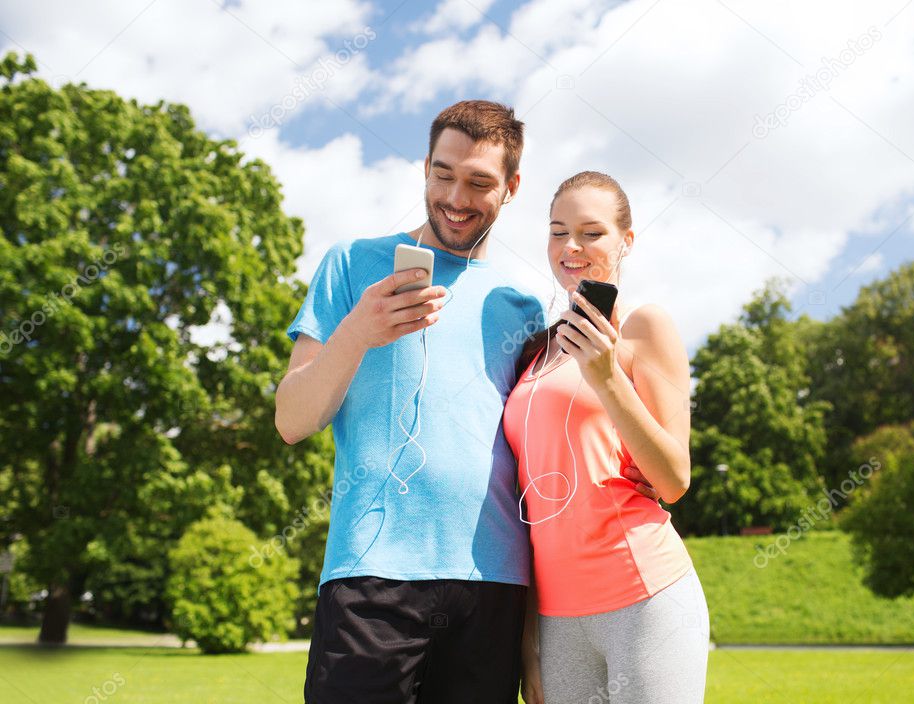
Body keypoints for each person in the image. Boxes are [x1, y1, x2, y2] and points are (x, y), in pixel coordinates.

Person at [275, 100, 541, 703]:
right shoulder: (352, 264)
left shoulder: (523, 304)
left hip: (493, 584)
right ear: (425, 168)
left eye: (479, 182)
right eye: (443, 174)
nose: (455, 197)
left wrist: (531, 638)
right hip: (371, 576)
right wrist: (359, 330)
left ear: (512, 187)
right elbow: (292, 420)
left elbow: (531, 461)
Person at [504, 171, 710, 704]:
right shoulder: (536, 351)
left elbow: (674, 479)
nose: (571, 246)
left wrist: (607, 376)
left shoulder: (644, 327)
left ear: (626, 240)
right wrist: (529, 641)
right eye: (558, 232)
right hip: (556, 617)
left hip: (645, 597)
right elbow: (528, 506)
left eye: (591, 233)